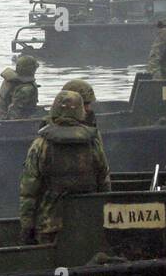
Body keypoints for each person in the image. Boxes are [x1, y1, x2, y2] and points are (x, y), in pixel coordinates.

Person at [18, 91, 111, 245]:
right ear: (80, 111)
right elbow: (104, 182)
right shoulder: (93, 142)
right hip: (87, 222)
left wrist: (27, 227)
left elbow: (29, 191)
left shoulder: (41, 144)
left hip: (50, 226)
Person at [0, 55, 40, 119]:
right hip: (14, 122)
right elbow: (14, 111)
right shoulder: (26, 88)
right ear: (31, 69)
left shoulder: (10, 80)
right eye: (35, 68)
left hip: (3, 116)